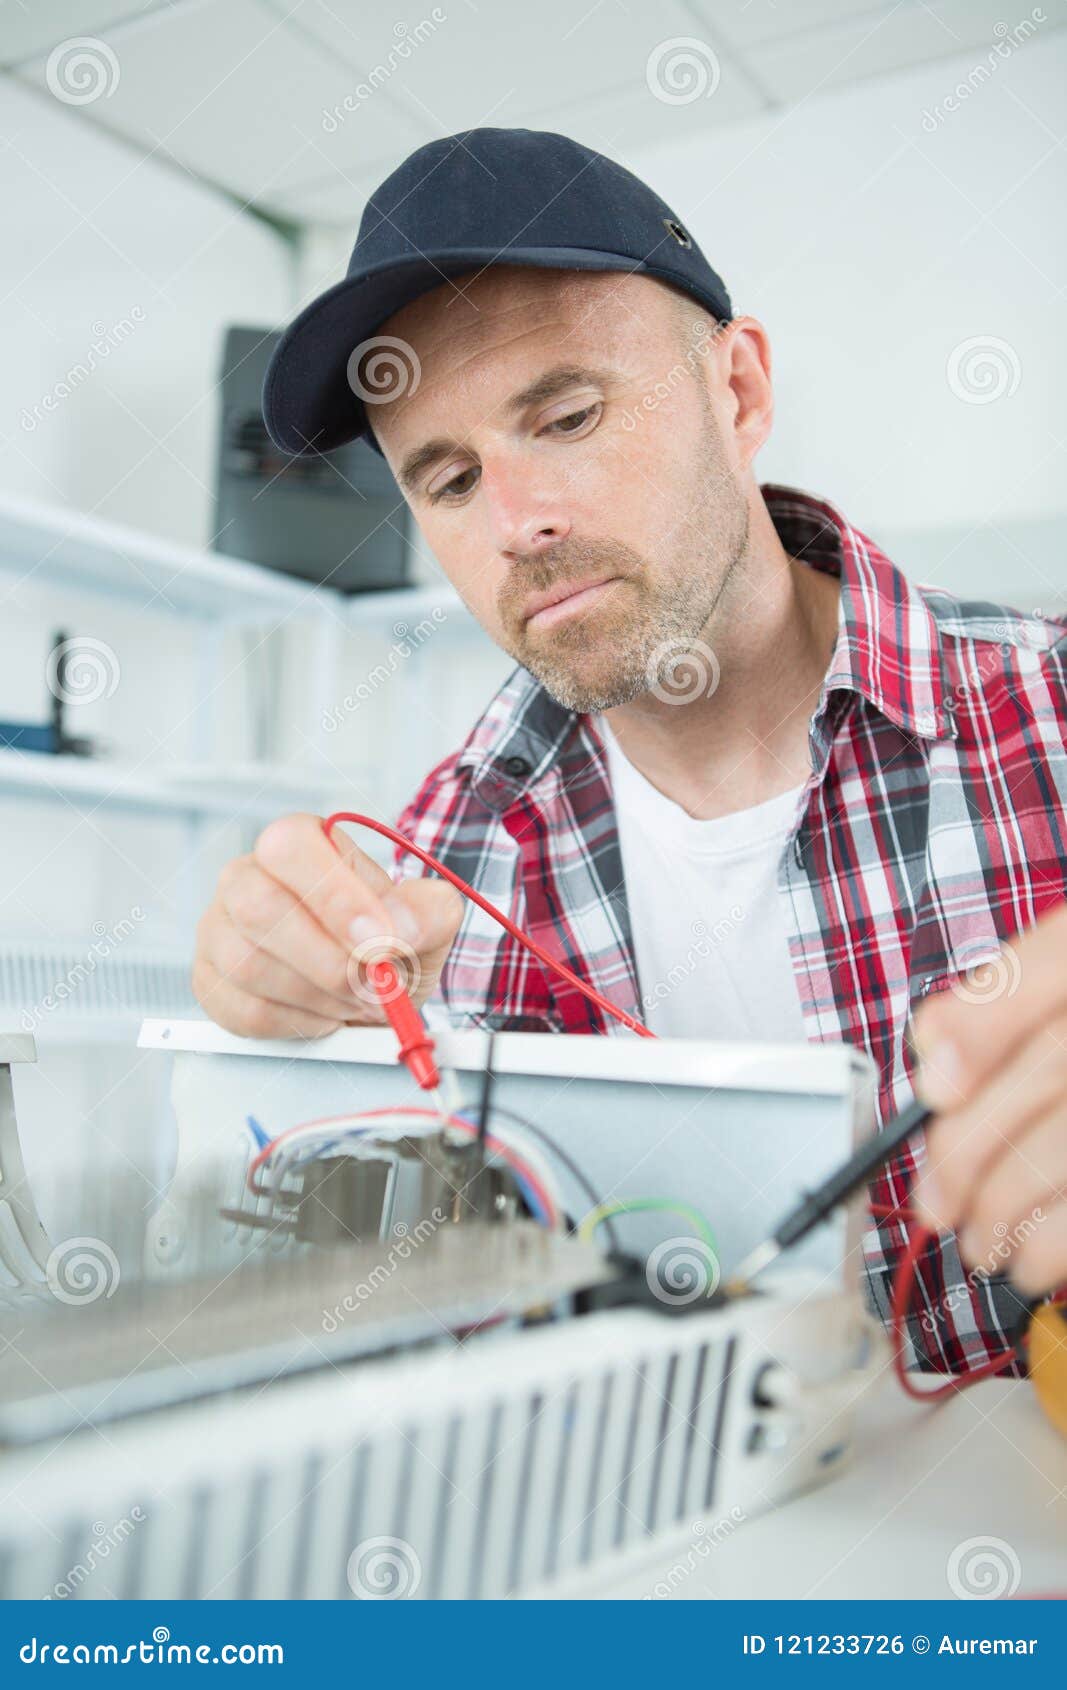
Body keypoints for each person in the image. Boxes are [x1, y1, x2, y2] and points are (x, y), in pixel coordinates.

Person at [193, 128, 1067, 1370]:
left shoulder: (1049, 710)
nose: (515, 522)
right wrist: (271, 1037)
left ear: (740, 392)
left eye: (566, 414)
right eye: (445, 481)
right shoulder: (435, 860)